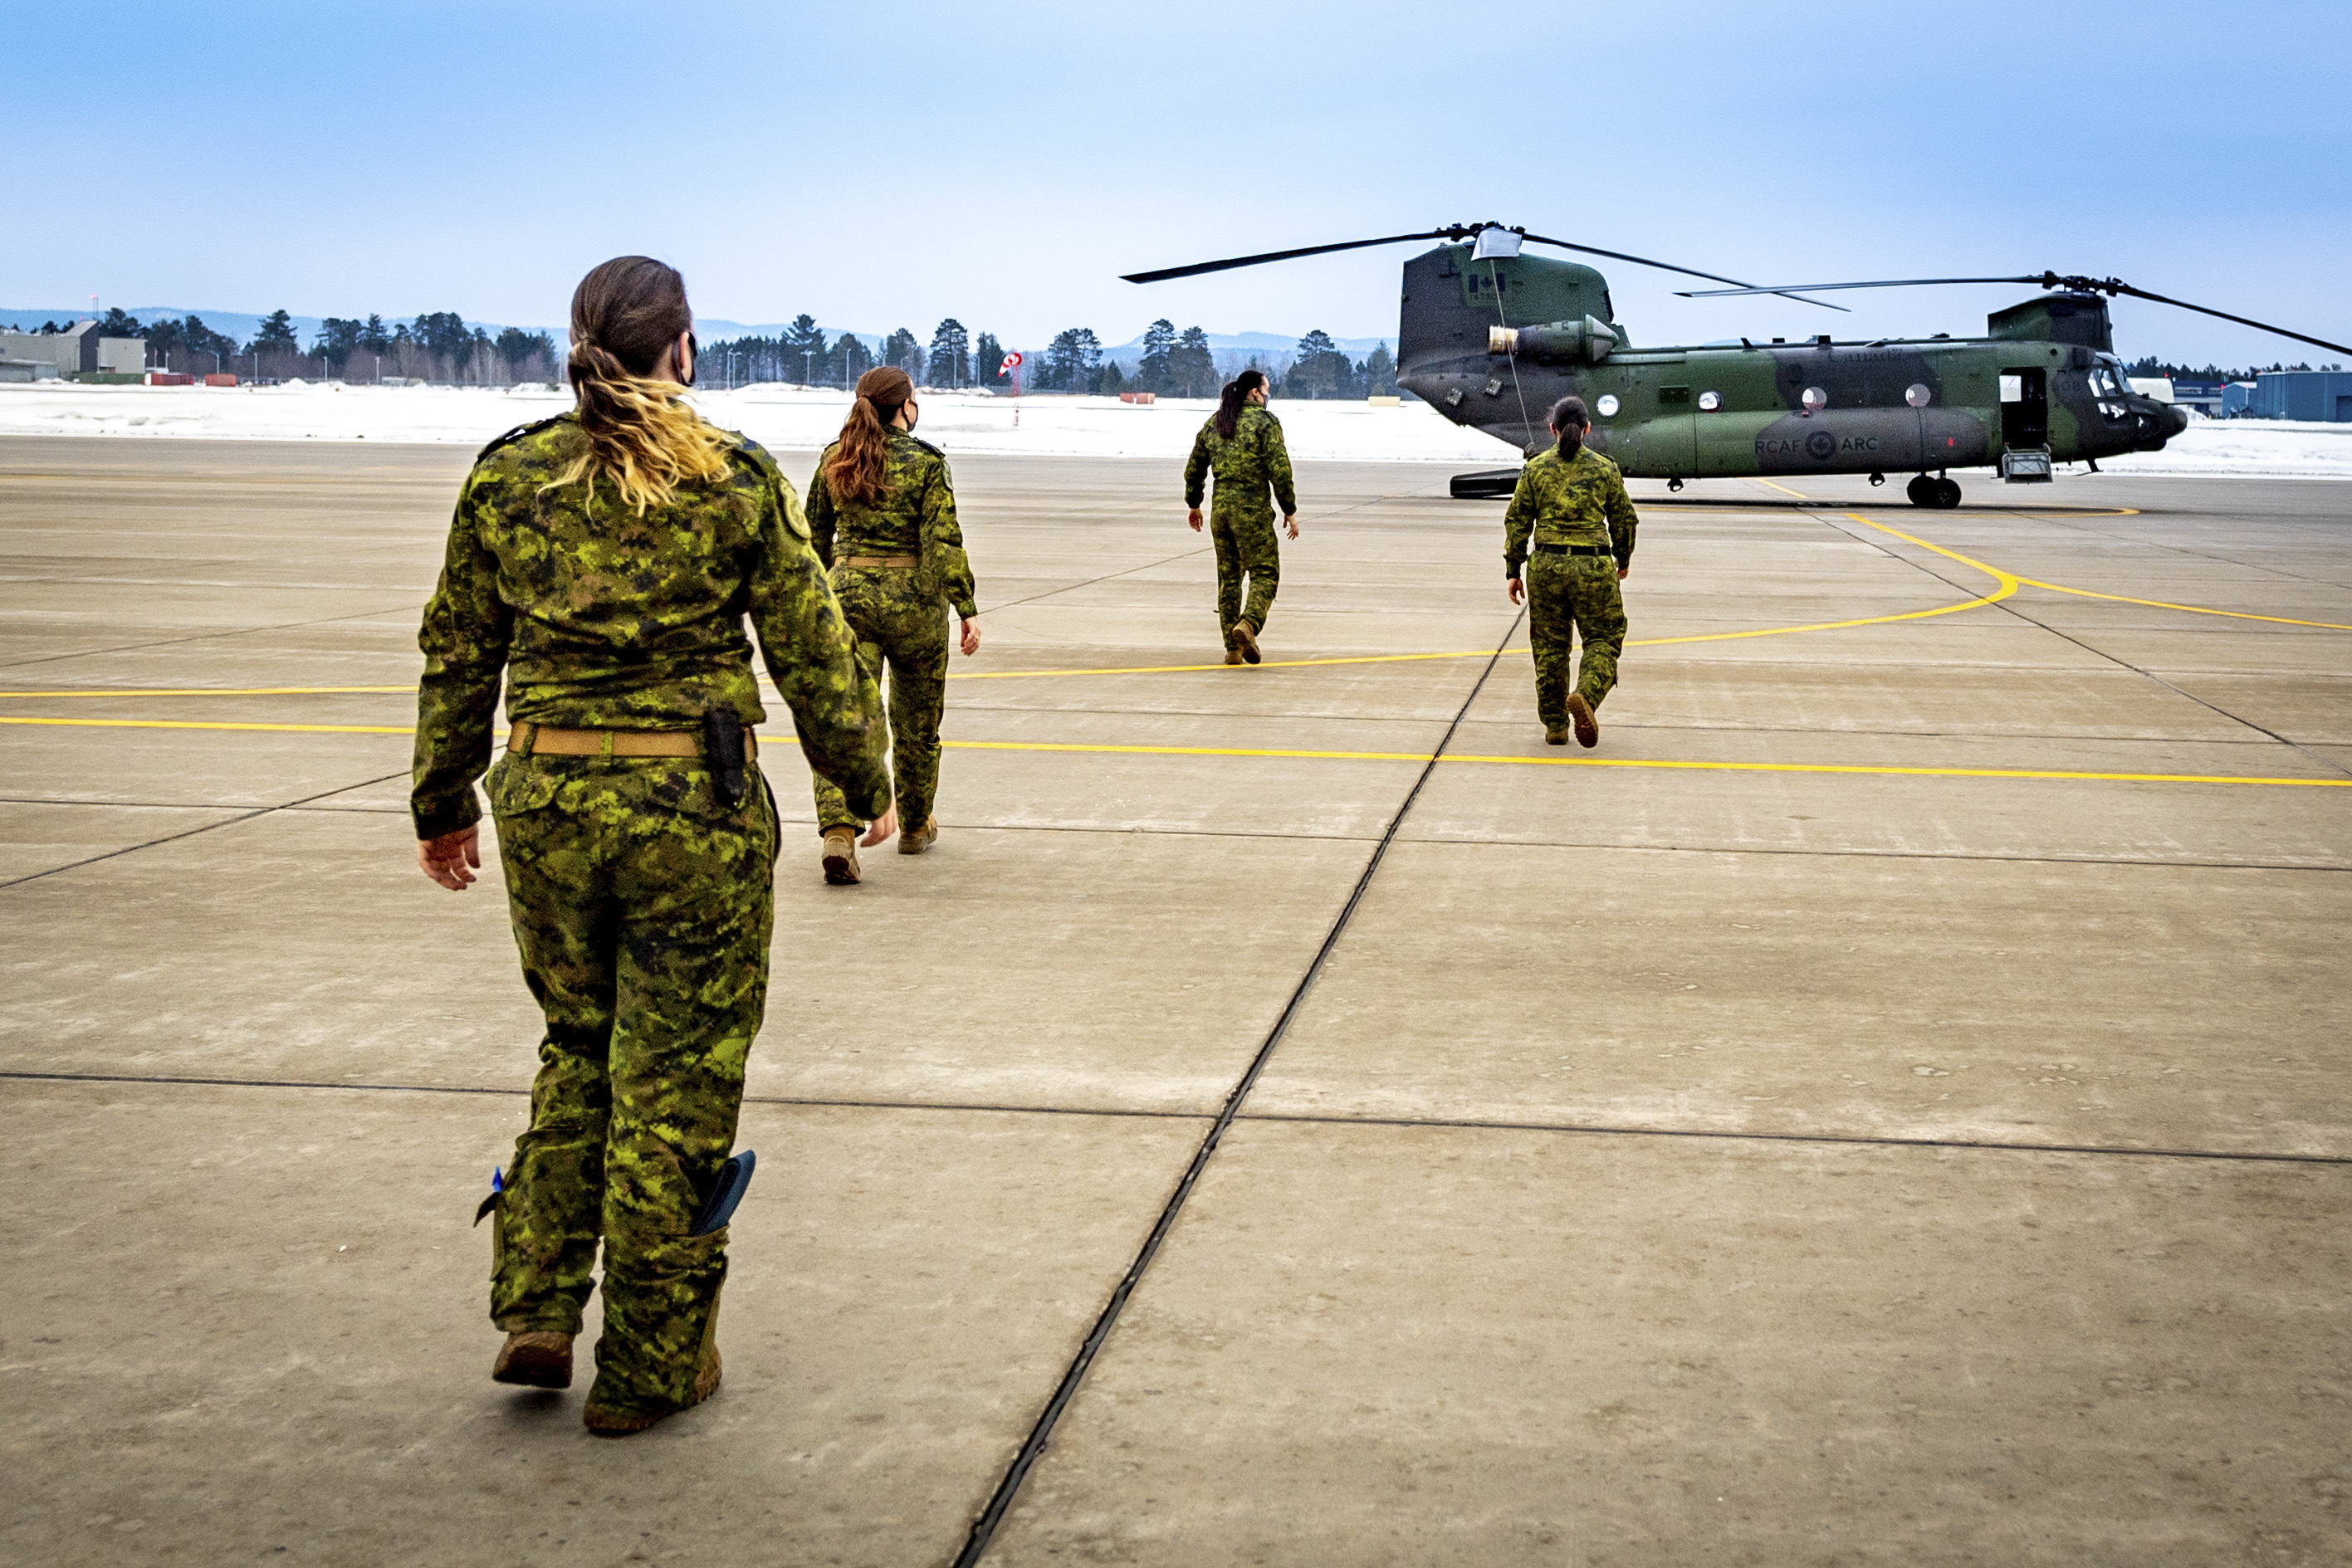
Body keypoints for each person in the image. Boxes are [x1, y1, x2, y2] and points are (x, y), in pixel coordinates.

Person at [410, 256, 891, 1436]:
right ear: (682, 346)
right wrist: (862, 775)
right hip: (691, 807)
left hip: (548, 802)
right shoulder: (726, 473)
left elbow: (458, 648)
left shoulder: (509, 473)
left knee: (578, 1041)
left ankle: (534, 1305)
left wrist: (443, 800)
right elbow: (810, 643)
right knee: (671, 1080)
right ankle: (648, 1362)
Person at [802, 365, 982, 884]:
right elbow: (943, 543)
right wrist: (965, 606)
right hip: (915, 607)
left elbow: (811, 540)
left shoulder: (834, 459)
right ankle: (915, 824)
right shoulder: (927, 465)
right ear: (903, 407)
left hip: (848, 599)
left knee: (844, 718)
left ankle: (838, 830)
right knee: (917, 725)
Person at [1503, 395, 1637, 747]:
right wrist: (1623, 557)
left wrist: (1513, 569)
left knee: (1549, 648)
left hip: (1546, 565)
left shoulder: (1535, 468)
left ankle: (1555, 726)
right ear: (1587, 429)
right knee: (1604, 639)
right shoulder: (1605, 468)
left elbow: (1518, 519)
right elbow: (1624, 518)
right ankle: (1586, 697)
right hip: (1592, 564)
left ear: (1553, 430)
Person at [1184, 369, 1298, 664]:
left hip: (1220, 513)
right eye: (1266, 389)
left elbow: (1195, 466)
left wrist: (1194, 503)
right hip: (1252, 511)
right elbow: (1280, 470)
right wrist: (1289, 509)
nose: (1267, 395)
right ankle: (1248, 625)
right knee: (1265, 572)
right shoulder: (1265, 423)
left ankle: (1231, 650)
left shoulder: (1217, 421)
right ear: (1254, 392)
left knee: (1229, 578)